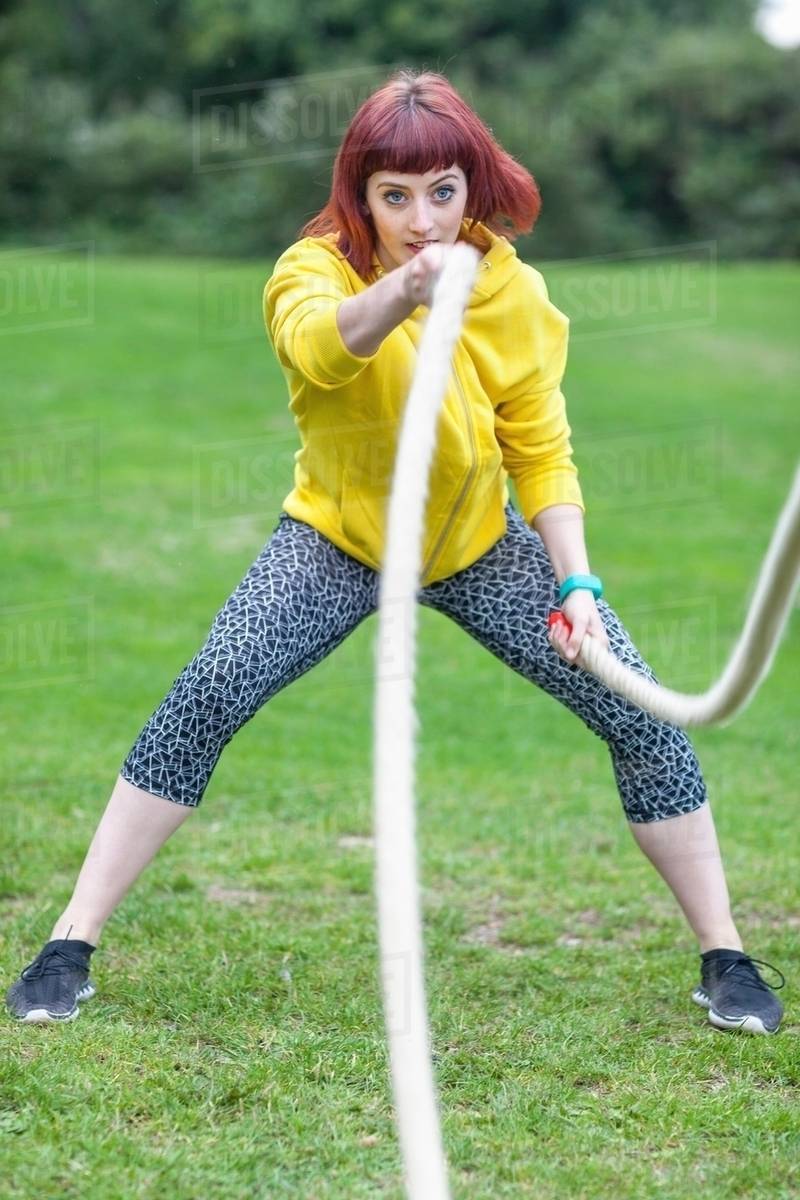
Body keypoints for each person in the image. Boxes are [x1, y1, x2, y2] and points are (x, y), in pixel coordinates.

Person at [6, 68, 786, 1034]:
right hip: (339, 540)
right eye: (396, 196)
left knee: (640, 710)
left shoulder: (517, 293)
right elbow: (322, 349)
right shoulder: (314, 270)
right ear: (360, 195)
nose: (423, 219)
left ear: (475, 186)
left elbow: (539, 448)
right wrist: (407, 292)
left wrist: (577, 583)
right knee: (208, 691)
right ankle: (68, 943)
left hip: (475, 545)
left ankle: (727, 957)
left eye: (444, 192)